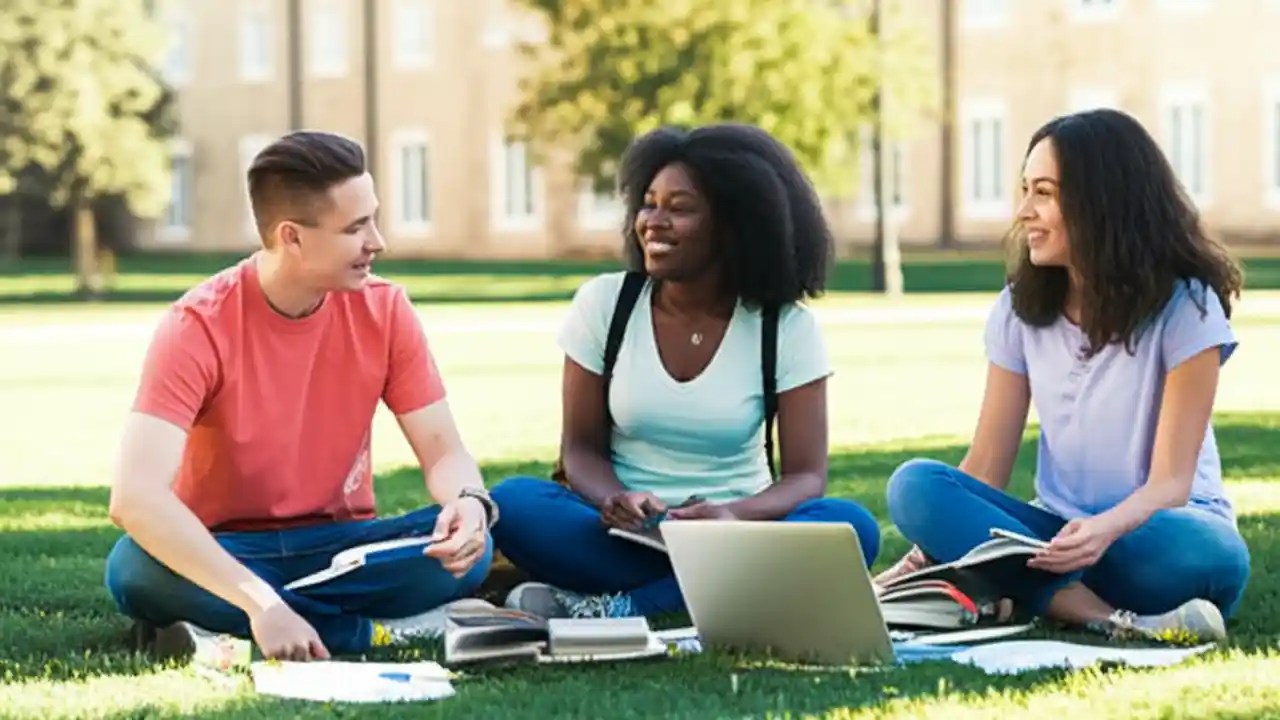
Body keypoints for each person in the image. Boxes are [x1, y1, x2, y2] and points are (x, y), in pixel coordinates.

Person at [103, 131, 497, 662]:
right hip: (227, 549)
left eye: (373, 219)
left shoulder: (387, 310)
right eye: (356, 228)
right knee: (133, 569)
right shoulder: (196, 325)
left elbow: (444, 451)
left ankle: (216, 629)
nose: (377, 241)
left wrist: (468, 504)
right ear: (292, 237)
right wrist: (259, 600)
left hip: (341, 545)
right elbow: (135, 496)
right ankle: (363, 629)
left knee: (471, 551)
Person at [875, 109, 1250, 643]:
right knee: (915, 485)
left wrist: (1102, 531)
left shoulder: (1187, 307)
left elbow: (1171, 484)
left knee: (1207, 556)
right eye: (1025, 190)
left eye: (1044, 193)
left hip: (1159, 532)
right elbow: (983, 470)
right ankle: (1102, 616)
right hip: (1055, 537)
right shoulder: (1018, 309)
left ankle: (1016, 587)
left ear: (1101, 201)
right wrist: (922, 556)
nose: (1024, 211)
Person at [488, 124, 882, 620]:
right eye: (648, 204)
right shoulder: (604, 305)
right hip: (624, 536)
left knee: (851, 527)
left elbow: (806, 477)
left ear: (733, 225)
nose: (653, 221)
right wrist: (616, 497)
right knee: (514, 502)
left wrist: (731, 516)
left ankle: (622, 607)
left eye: (679, 208)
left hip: (735, 535)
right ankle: (709, 594)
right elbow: (580, 449)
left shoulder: (784, 327)